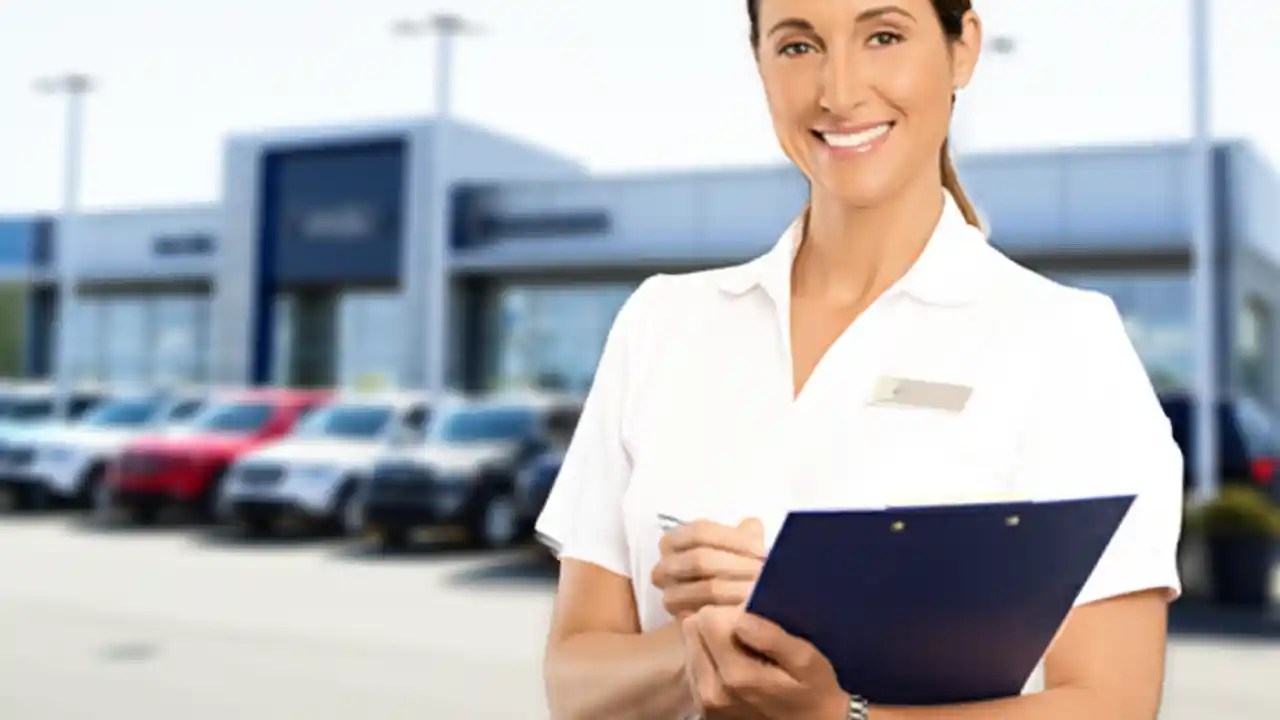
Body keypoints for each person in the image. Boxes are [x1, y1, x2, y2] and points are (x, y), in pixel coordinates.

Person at [536, 1, 1183, 718]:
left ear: (962, 47)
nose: (838, 92)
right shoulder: (661, 324)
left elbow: (1111, 703)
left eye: (882, 36)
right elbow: (573, 683)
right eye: (798, 45)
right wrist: (702, 652)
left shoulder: (1066, 343)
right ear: (759, 62)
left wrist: (836, 714)